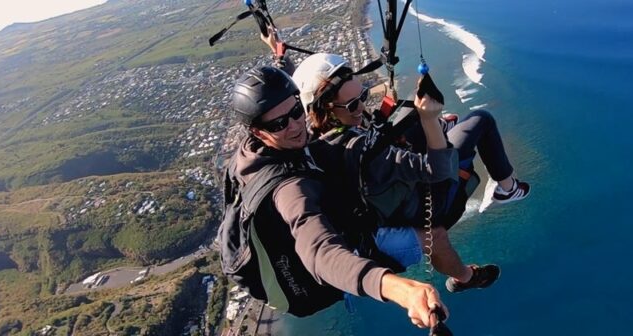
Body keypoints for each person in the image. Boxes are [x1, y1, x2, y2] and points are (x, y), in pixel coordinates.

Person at [223, 65, 447, 329]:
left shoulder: (250, 153)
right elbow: (320, 251)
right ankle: (461, 277)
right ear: (258, 132)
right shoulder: (289, 189)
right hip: (313, 280)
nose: (295, 126)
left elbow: (282, 102)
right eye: (280, 124)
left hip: (305, 239)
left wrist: (280, 57)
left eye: (296, 112)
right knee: (437, 234)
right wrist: (401, 290)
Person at [292, 53, 531, 293]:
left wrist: (280, 56)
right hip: (426, 205)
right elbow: (439, 170)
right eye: (353, 104)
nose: (362, 106)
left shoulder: (315, 137)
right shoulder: (362, 151)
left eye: (362, 95)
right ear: (327, 109)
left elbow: (373, 136)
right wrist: (429, 120)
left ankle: (437, 127)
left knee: (409, 113)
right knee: (480, 120)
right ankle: (507, 188)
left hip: (384, 198)